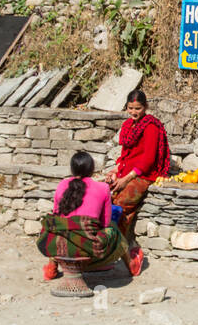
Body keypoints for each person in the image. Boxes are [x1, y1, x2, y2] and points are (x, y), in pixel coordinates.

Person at [37, 150, 129, 296]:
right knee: (113, 228)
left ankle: (51, 268)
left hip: (55, 244)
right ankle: (130, 266)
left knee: (59, 227)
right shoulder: (103, 188)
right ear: (92, 169)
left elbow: (55, 213)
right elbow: (105, 223)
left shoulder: (62, 184)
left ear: (72, 169)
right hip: (88, 245)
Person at [104, 89, 171, 274]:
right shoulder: (127, 126)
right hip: (127, 172)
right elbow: (125, 155)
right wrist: (115, 171)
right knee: (102, 197)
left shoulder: (151, 126)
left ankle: (116, 250)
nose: (134, 112)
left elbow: (148, 159)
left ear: (146, 107)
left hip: (143, 175)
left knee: (120, 205)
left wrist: (127, 178)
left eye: (138, 108)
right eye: (131, 108)